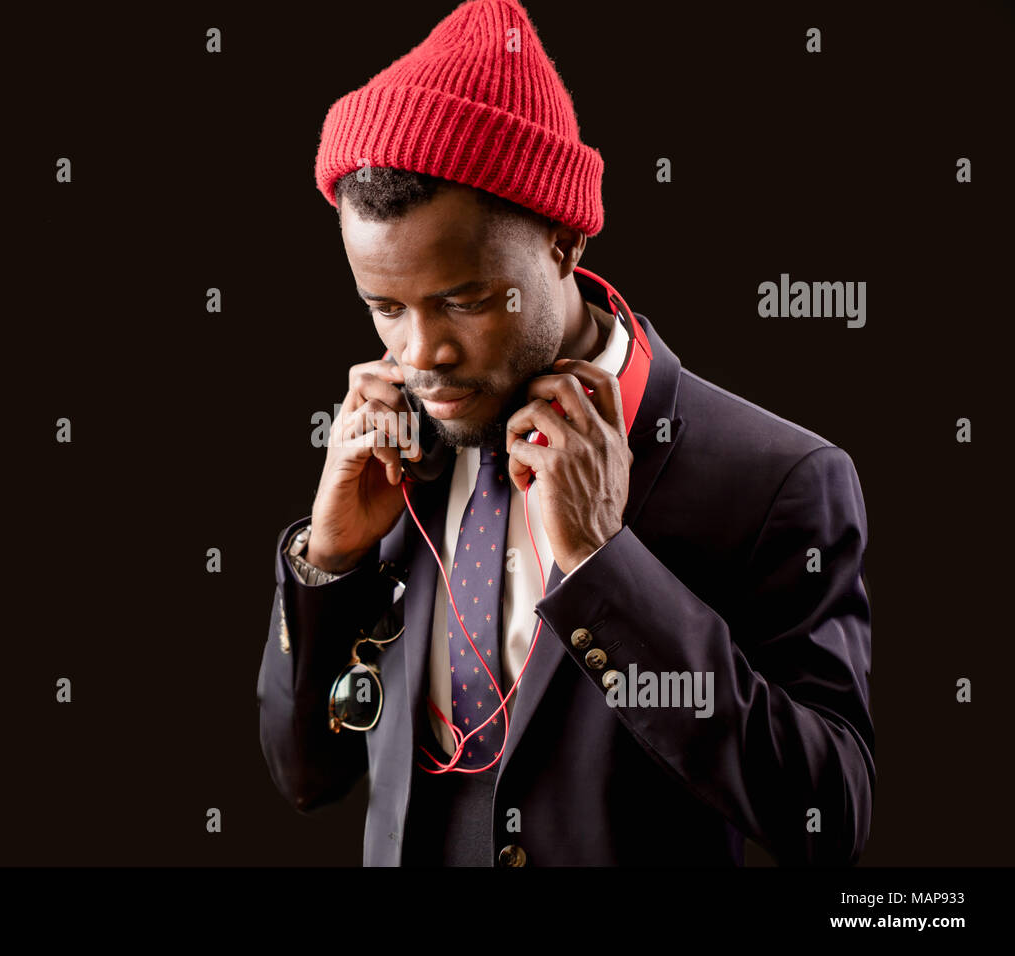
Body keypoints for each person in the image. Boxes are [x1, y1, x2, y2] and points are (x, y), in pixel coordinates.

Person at [257, 0, 872, 866]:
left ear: (564, 240)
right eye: (385, 309)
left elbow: (827, 812)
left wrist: (604, 568)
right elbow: (306, 778)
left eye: (465, 302)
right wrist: (328, 563)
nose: (421, 353)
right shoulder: (395, 450)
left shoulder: (780, 479)